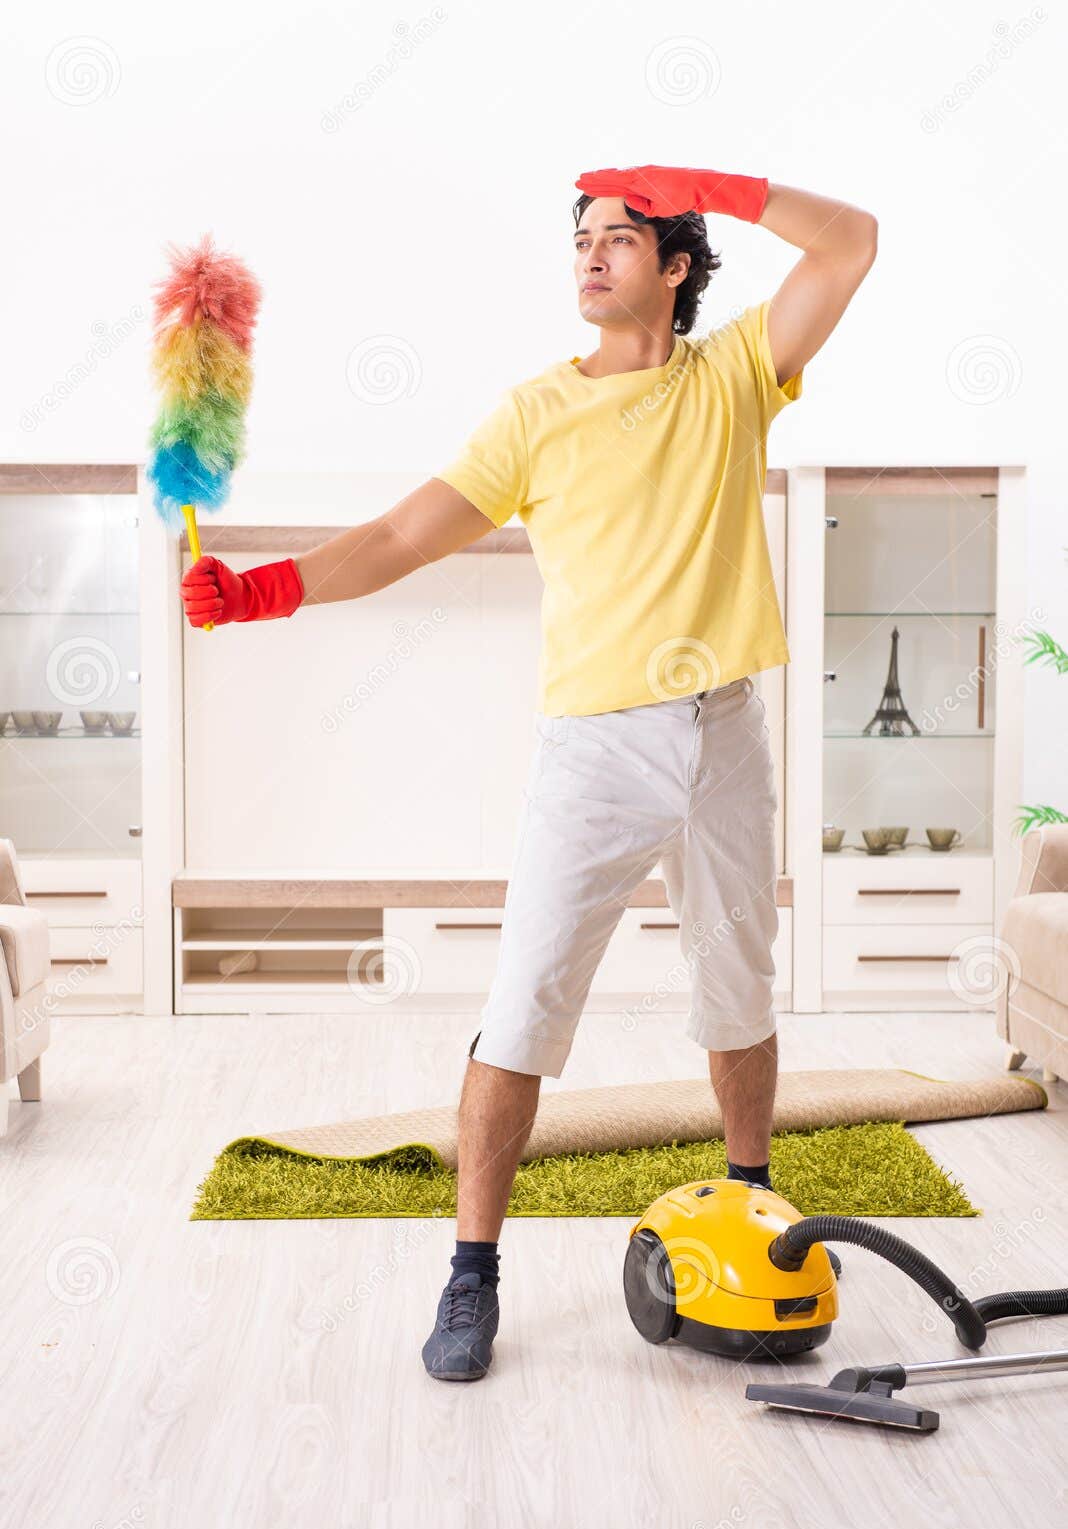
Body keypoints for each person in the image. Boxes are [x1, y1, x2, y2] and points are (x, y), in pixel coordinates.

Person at [180, 164, 877, 1384]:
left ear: (675, 266)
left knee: (738, 986)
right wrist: (263, 589)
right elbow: (403, 536)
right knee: (524, 1008)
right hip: (595, 748)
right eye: (581, 240)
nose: (591, 256)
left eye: (620, 238)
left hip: (726, 732)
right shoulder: (532, 414)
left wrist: (717, 183)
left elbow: (852, 242)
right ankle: (471, 1274)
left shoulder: (733, 376)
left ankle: (754, 1202)